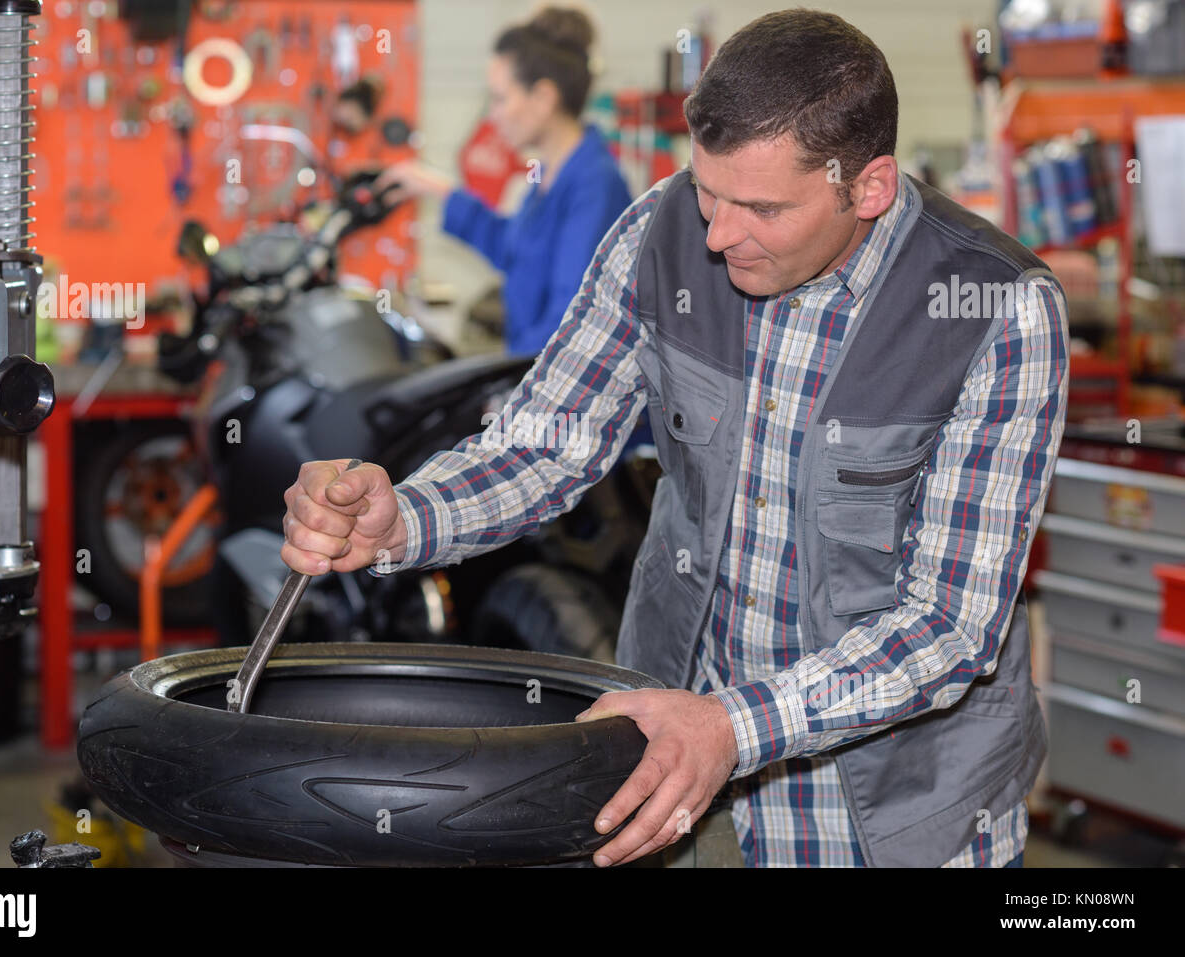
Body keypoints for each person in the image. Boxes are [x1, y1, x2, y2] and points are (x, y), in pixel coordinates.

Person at [279, 9, 1068, 868]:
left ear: (868, 188)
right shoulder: (661, 231)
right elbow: (547, 439)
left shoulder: (995, 310)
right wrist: (406, 519)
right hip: (677, 784)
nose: (719, 233)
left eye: (761, 205)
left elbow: (949, 622)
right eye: (708, 191)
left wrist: (735, 725)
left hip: (894, 816)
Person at [377, 6, 632, 357]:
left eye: (499, 99)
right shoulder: (547, 176)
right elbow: (515, 251)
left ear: (543, 98)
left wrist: (510, 391)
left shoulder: (595, 186)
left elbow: (569, 323)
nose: (492, 115)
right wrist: (436, 188)